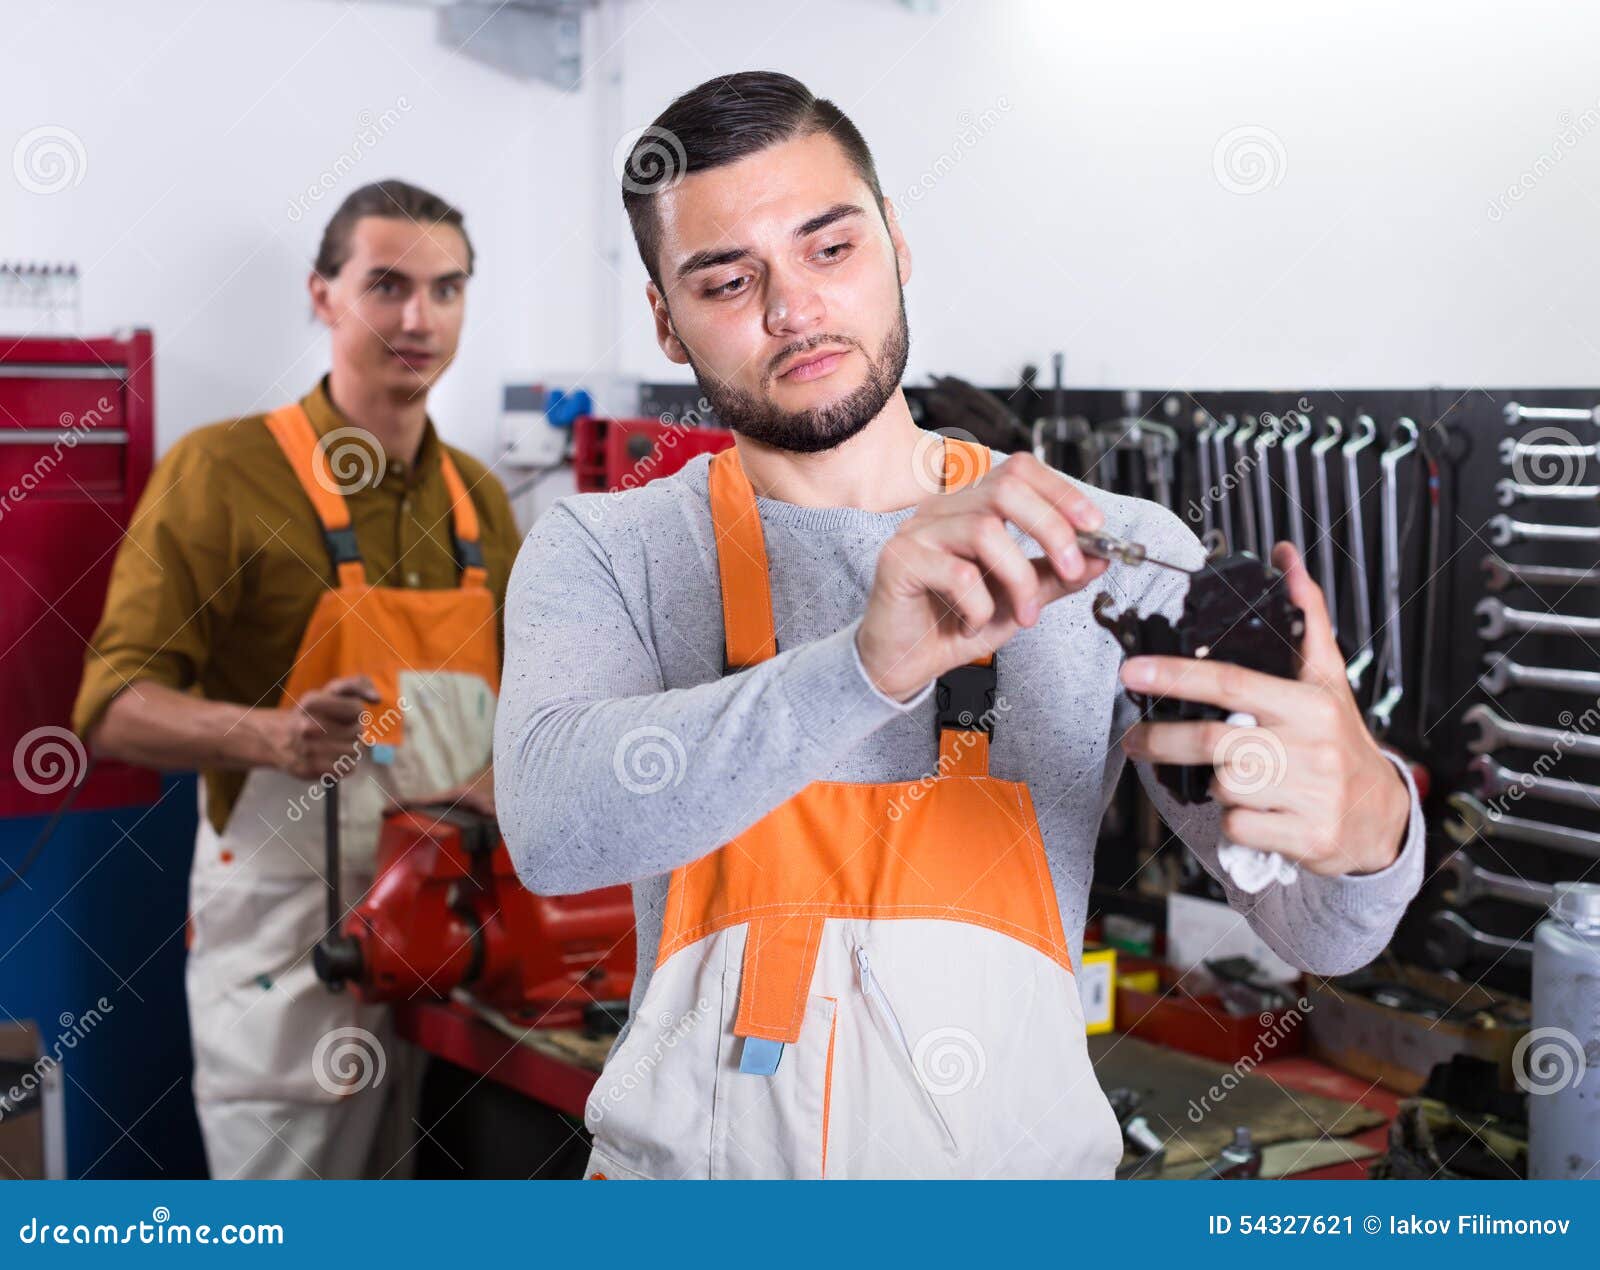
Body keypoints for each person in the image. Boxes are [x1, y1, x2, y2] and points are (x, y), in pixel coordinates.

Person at [493, 72, 1424, 1180]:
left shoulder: (1106, 556)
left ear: (894, 239)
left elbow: (1322, 934)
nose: (793, 310)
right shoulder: (608, 550)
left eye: (829, 249)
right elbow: (553, 834)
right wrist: (865, 666)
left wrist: (1369, 822)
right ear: (664, 318)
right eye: (729, 279)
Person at [74, 180, 520, 1179]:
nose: (419, 318)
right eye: (387, 285)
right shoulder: (222, 471)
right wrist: (270, 736)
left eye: (447, 289)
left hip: (456, 941)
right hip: (291, 942)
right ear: (323, 294)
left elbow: (526, 709)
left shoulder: (481, 500)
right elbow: (111, 706)